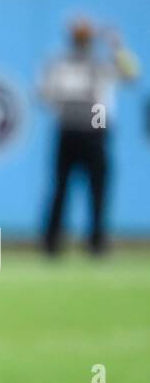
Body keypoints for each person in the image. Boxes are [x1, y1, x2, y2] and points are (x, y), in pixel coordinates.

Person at [40, 18, 139, 256]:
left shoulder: (63, 63)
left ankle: (70, 241)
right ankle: (74, 242)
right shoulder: (82, 63)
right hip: (85, 130)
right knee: (75, 189)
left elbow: (44, 95)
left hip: (78, 129)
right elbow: (131, 74)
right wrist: (118, 47)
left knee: (82, 189)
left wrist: (117, 48)